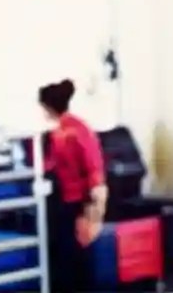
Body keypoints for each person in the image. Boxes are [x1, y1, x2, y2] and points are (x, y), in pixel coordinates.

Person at [39, 79, 107, 293]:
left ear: (47, 107)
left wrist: (94, 216)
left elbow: (95, 177)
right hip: (68, 206)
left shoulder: (68, 132)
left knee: (72, 267)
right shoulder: (74, 129)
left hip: (74, 206)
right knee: (73, 266)